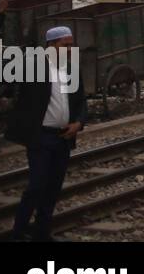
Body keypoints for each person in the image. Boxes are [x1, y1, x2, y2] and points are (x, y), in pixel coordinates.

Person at [7, 25, 86, 242]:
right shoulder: (33, 68)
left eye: (71, 45)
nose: (70, 49)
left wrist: (78, 123)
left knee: (53, 187)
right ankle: (19, 231)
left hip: (63, 137)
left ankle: (42, 232)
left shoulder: (71, 69)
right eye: (65, 45)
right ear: (51, 46)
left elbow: (81, 102)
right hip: (41, 137)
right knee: (37, 185)